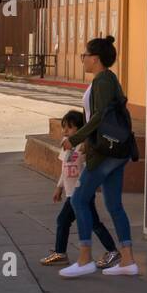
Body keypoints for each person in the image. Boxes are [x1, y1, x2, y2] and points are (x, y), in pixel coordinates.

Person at [60, 36, 139, 278]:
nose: (82, 59)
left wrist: (75, 139)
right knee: (114, 205)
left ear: (95, 59)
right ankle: (127, 260)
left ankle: (85, 259)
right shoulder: (106, 80)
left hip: (105, 152)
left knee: (79, 199)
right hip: (116, 151)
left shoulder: (103, 80)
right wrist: (86, 141)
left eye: (84, 55)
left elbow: (98, 119)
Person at [40, 110, 117, 267]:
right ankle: (112, 251)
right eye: (64, 127)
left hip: (82, 193)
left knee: (67, 221)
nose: (65, 131)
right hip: (70, 193)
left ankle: (61, 253)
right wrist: (59, 187)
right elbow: (64, 168)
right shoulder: (66, 144)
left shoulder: (84, 145)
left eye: (69, 127)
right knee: (87, 222)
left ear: (81, 129)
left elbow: (92, 167)